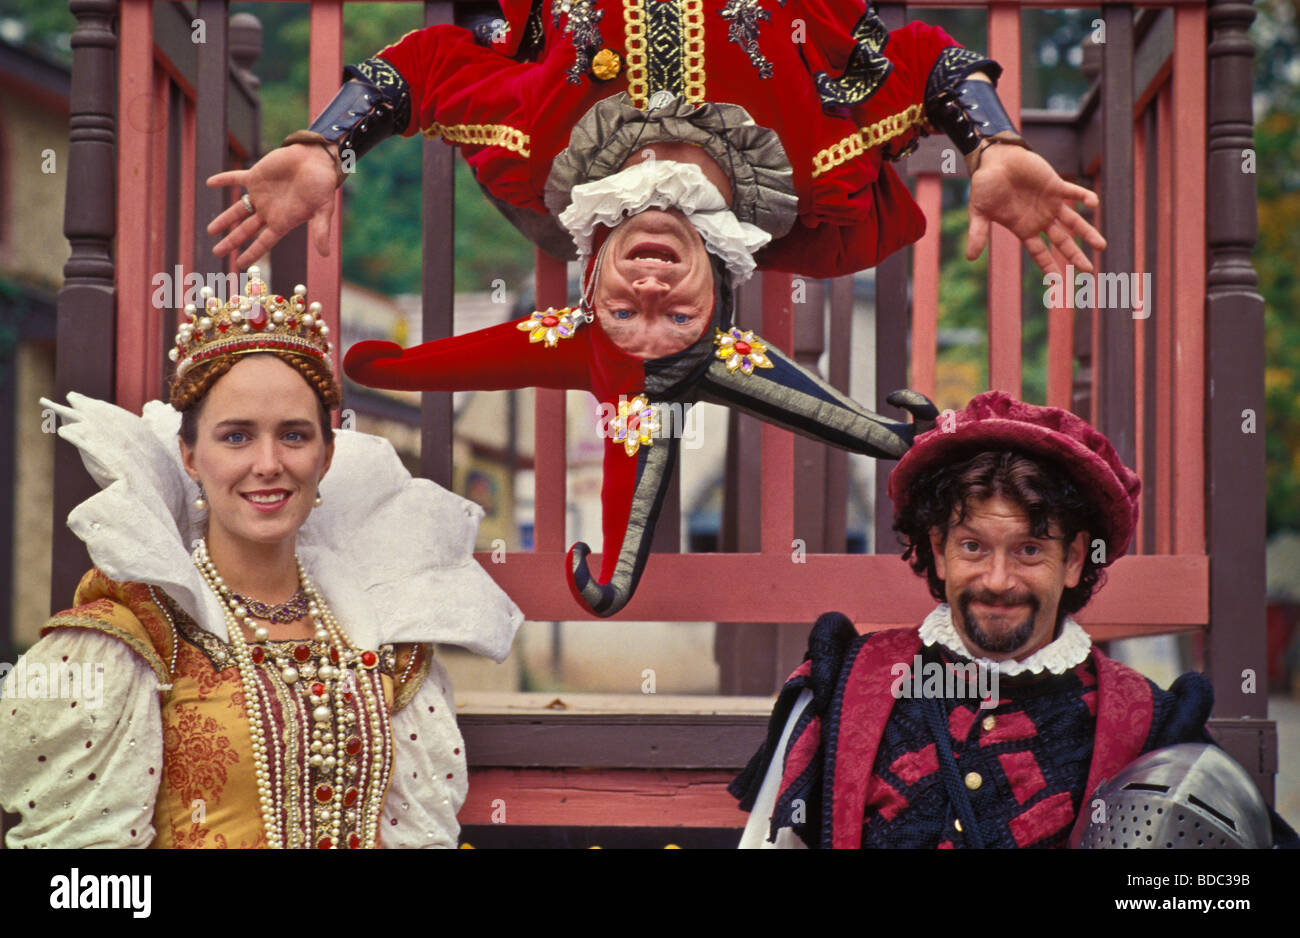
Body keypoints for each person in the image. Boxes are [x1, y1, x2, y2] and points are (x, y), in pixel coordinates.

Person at [205, 0, 1106, 358]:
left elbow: (430, 67)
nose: (648, 289)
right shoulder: (811, 161)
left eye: (621, 312)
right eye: (676, 317)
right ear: (719, 283)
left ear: (590, 278)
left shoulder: (535, 145)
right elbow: (923, 61)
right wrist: (993, 144)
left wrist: (327, 147)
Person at [0, 269, 522, 848]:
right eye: (237, 436)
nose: (269, 463)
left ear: (326, 457)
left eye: (295, 436)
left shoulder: (381, 638)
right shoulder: (137, 635)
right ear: (190, 456)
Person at [730, 390, 1297, 848]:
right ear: (937, 548)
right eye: (973, 547)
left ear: (1075, 560)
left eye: (1029, 550)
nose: (998, 581)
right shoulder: (846, 681)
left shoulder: (1151, 725)